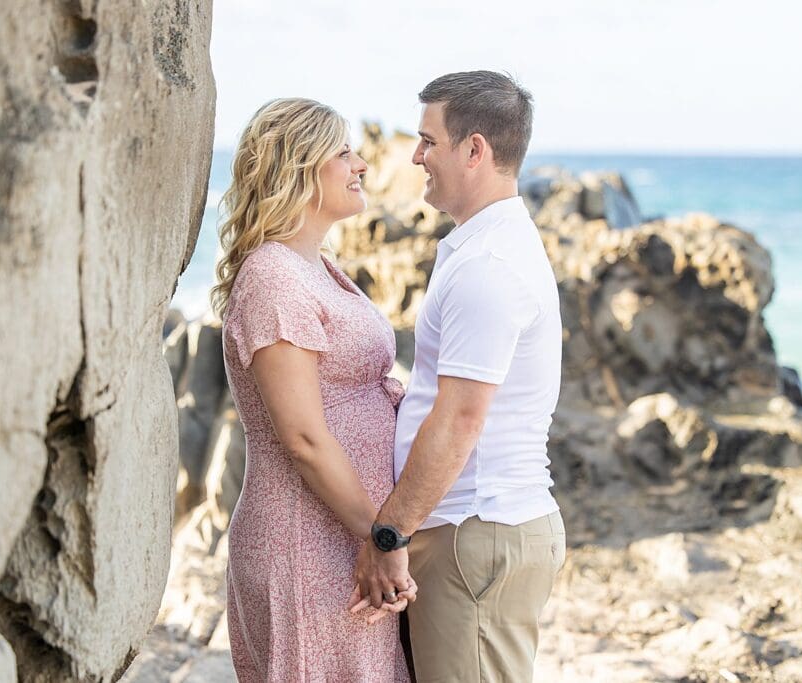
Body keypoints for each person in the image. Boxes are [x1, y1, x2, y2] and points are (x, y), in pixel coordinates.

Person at [351, 71, 566, 682]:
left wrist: (390, 535)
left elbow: (460, 421)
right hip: (472, 529)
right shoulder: (484, 248)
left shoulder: (488, 266)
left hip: (475, 532)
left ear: (475, 150)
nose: (415, 156)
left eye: (428, 141)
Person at [212, 98, 414, 683]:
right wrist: (381, 538)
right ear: (299, 167)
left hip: (344, 535)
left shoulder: (317, 267)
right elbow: (302, 437)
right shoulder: (272, 277)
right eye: (344, 152)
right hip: (307, 542)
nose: (362, 165)